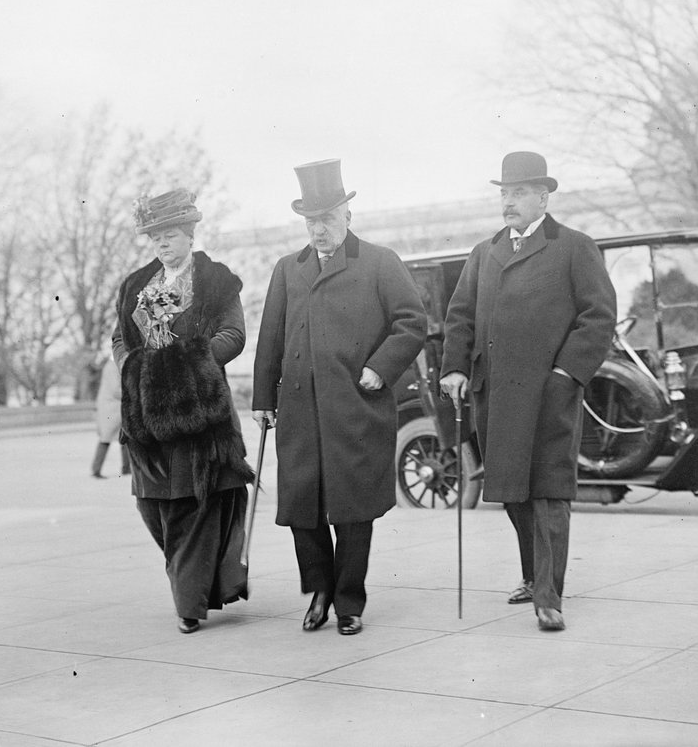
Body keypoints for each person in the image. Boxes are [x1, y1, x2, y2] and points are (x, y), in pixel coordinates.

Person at [440, 152, 616, 632]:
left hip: (548, 393)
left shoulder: (574, 247)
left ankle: (548, 594)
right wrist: (454, 368)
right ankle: (529, 575)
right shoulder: (484, 252)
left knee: (548, 491)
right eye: (504, 193)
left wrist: (566, 375)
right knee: (513, 491)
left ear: (543, 196)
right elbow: (459, 315)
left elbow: (598, 317)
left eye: (518, 193)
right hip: (493, 393)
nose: (508, 202)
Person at [253, 159, 426, 636]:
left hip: (356, 407)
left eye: (327, 218)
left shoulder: (379, 262)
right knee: (301, 507)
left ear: (348, 215)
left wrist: (379, 367)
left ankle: (349, 601)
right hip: (299, 412)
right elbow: (270, 339)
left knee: (352, 509)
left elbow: (412, 323)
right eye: (311, 221)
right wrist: (263, 398)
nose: (319, 229)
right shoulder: (288, 269)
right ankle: (320, 590)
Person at [112, 188, 254, 634]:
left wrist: (189, 365)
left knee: (197, 503)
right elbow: (120, 340)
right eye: (155, 237)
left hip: (201, 416)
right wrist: (132, 365)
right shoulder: (136, 286)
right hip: (147, 416)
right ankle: (193, 585)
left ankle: (188, 604)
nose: (161, 244)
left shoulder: (216, 281)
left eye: (169, 235)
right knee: (152, 505)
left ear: (189, 235)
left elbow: (233, 334)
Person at [90, 358, 128, 478]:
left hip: (113, 408)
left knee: (124, 439)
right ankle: (96, 469)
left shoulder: (112, 365)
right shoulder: (112, 366)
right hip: (111, 409)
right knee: (107, 439)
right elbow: (115, 390)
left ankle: (127, 467)